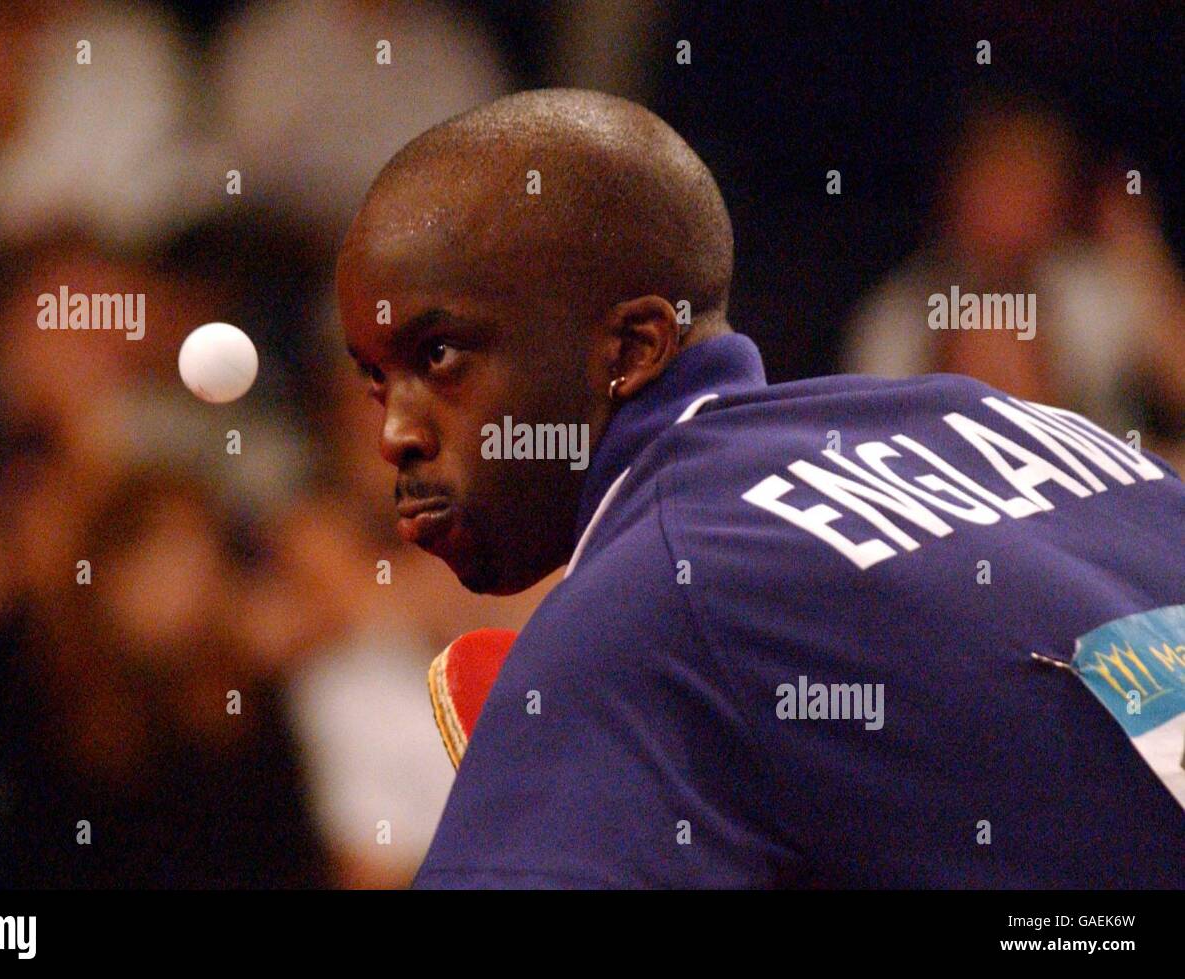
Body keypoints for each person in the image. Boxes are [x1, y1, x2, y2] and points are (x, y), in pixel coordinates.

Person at [335, 89, 1185, 888]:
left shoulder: (661, 592)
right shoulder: (1024, 425)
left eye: (439, 356)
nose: (394, 433)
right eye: (377, 380)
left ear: (631, 349)